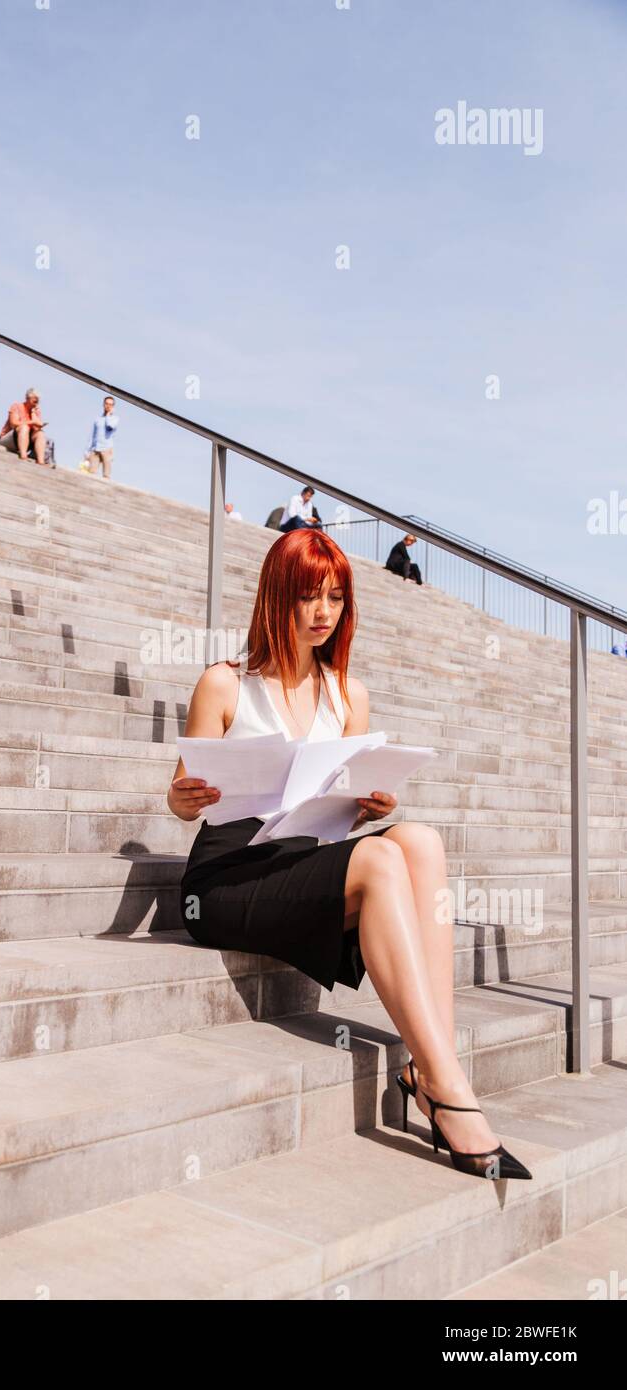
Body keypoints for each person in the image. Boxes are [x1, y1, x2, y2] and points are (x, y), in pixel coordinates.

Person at [167, 528, 532, 1183]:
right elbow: (180, 800)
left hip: (302, 856)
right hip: (224, 879)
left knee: (418, 840)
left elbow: (338, 804)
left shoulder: (347, 695)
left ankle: (429, 1065)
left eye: (336, 596)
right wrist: (186, 795)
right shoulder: (224, 684)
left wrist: (365, 807)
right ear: (278, 595)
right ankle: (449, 1088)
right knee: (383, 863)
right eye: (309, 594)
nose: (323, 611)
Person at [0, 389, 51, 465]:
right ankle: (23, 456)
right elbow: (14, 423)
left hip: (25, 441)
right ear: (27, 398)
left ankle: (41, 461)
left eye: (38, 399)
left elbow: (37, 428)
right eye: (34, 398)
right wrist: (32, 422)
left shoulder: (36, 411)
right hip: (9, 440)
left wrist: (33, 413)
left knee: (40, 433)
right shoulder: (16, 406)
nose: (37, 400)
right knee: (24, 427)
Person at [87, 395, 119, 478]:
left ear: (113, 406)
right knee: (91, 473)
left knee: (106, 475)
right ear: (103, 404)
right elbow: (93, 435)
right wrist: (87, 450)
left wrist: (108, 415)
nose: (108, 406)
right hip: (95, 449)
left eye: (110, 404)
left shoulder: (115, 419)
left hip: (107, 449)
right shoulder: (98, 419)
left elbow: (110, 427)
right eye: (107, 403)